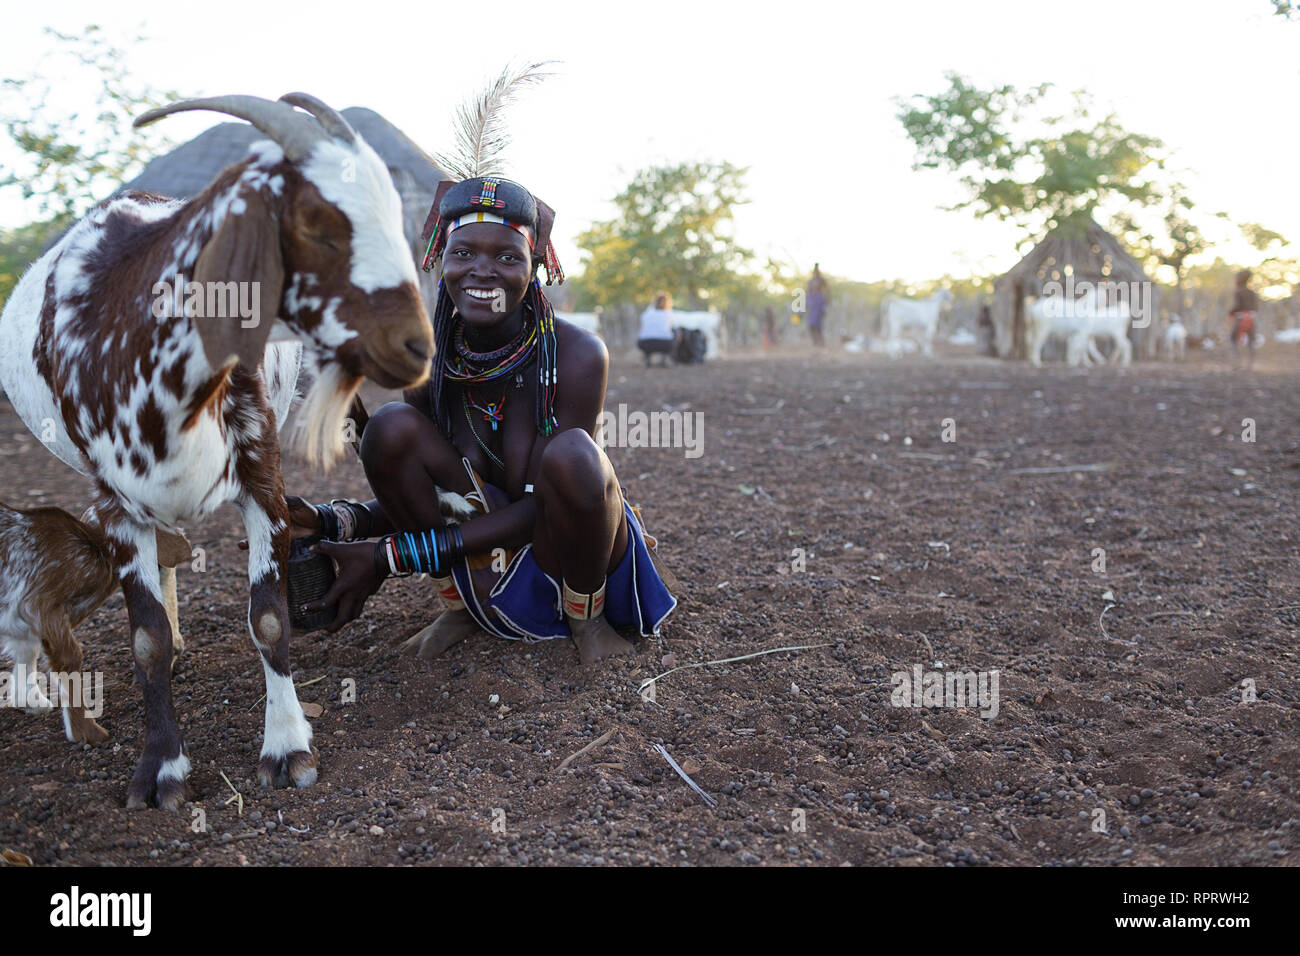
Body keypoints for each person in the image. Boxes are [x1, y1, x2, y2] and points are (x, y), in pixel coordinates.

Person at [287, 176, 676, 664]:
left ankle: (587, 619)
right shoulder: (434, 366)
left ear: (533, 268)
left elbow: (545, 506)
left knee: (575, 454)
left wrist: (390, 557)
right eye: (464, 253)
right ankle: (462, 609)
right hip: (482, 561)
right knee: (388, 429)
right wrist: (337, 520)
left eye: (508, 257)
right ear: (441, 261)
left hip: (569, 552)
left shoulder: (577, 356)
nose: (483, 271)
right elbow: (439, 491)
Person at [1229, 269, 1260, 369]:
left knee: (1233, 339)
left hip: (1240, 319)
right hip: (1251, 318)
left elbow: (1236, 306)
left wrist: (1230, 312)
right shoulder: (1252, 292)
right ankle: (1250, 364)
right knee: (1251, 341)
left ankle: (1237, 363)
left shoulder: (1238, 292)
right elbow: (1256, 307)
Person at [638, 293, 677, 367]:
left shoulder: (647, 313)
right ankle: (665, 358)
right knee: (676, 332)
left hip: (645, 343)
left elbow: (642, 327)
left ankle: (647, 358)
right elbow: (674, 328)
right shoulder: (669, 314)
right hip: (665, 343)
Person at [806, 264, 829, 347]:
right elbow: (807, 292)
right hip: (812, 307)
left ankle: (821, 344)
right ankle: (815, 343)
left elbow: (827, 292)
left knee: (819, 327)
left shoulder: (821, 282)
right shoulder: (811, 282)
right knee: (811, 326)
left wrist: (825, 309)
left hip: (818, 308)